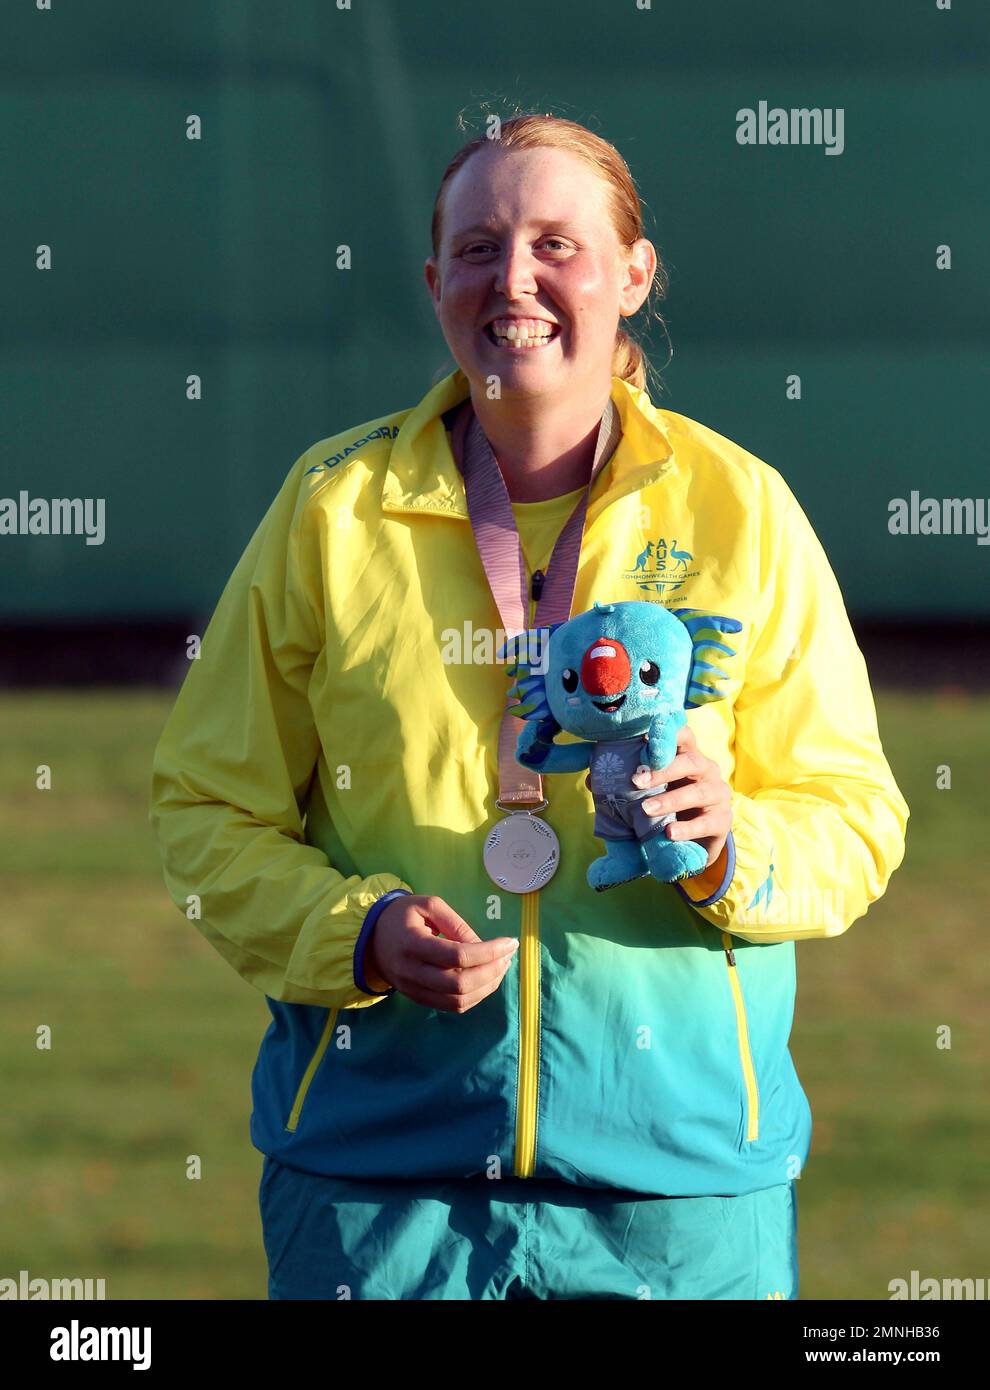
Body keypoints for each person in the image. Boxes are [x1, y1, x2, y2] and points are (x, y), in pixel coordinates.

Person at [149, 112, 909, 1301]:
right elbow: (205, 807)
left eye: (557, 244)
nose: (513, 278)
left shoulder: (741, 508)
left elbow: (855, 817)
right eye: (478, 248)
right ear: (433, 283)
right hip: (378, 1193)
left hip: (679, 1204)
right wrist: (357, 931)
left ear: (633, 274)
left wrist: (730, 846)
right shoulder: (332, 509)